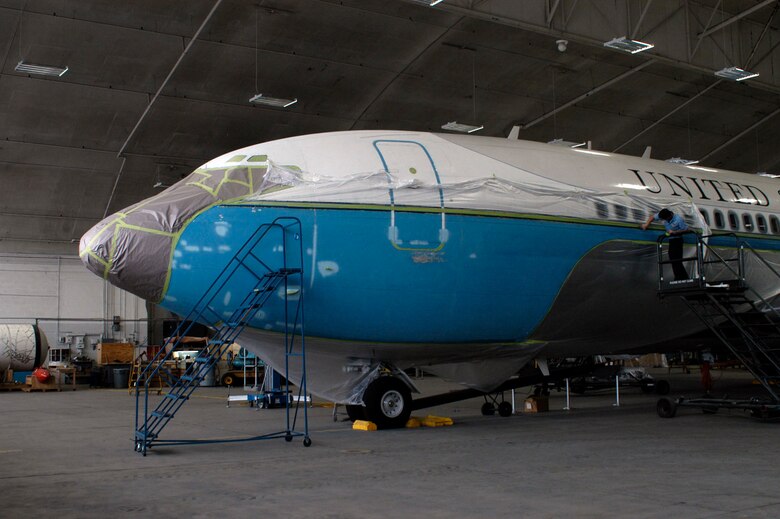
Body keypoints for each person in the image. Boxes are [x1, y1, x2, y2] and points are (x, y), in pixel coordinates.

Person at [641, 208, 690, 280]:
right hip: (671, 240)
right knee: (672, 258)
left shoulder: (678, 219)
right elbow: (652, 217)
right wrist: (646, 224)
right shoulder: (664, 215)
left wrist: (675, 232)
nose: (664, 220)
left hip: (678, 240)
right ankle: (680, 277)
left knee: (677, 259)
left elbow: (686, 230)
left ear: (669, 216)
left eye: (665, 219)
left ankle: (682, 277)